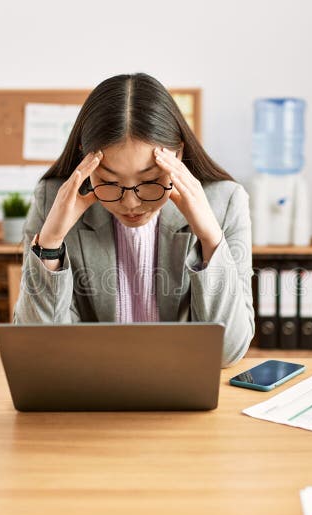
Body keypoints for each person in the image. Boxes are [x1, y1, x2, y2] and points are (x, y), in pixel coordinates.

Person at [14, 73, 253, 367]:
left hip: (181, 394)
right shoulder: (53, 200)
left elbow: (227, 353)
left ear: (178, 154)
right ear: (86, 161)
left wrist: (211, 240)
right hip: (90, 395)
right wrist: (50, 244)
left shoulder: (226, 202)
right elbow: (41, 351)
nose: (131, 202)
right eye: (110, 181)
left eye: (150, 181)